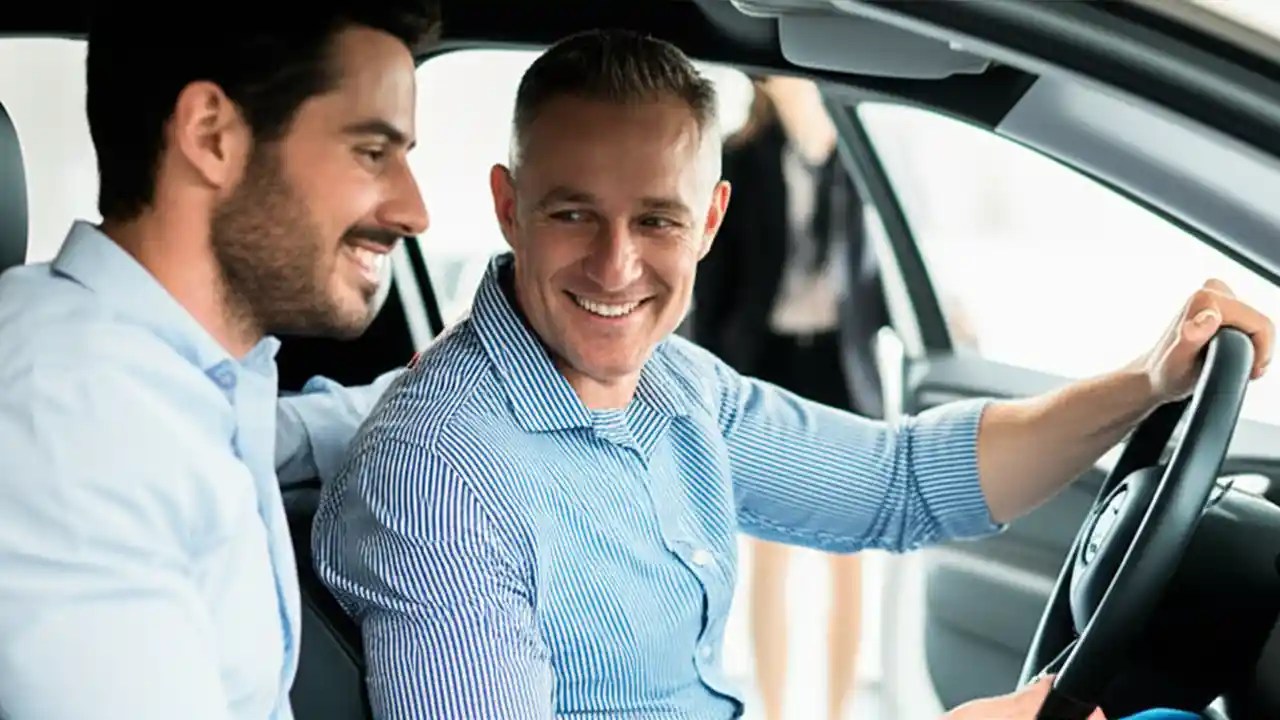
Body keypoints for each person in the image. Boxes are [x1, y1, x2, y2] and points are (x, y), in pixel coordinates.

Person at [313, 27, 1275, 720]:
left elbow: (901, 481)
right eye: (572, 215)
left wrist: (1146, 384)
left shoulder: (677, 389)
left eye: (656, 221)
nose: (615, 268)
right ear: (507, 207)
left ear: (711, 222)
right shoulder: (441, 472)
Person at [0, 2, 437, 717]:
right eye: (371, 152)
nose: (413, 209)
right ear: (212, 137)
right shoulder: (69, 418)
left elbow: (294, 430)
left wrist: (458, 386)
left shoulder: (188, 378)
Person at [693, 73, 882, 720]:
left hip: (838, 364)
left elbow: (869, 266)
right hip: (764, 360)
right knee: (768, 556)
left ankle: (836, 711)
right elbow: (711, 287)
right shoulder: (739, 158)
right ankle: (773, 711)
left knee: (847, 557)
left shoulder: (854, 158)